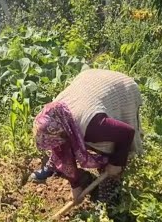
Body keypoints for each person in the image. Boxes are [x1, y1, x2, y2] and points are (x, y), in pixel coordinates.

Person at [33, 69, 142, 208]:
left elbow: (127, 133)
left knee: (112, 153)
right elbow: (63, 147)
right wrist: (75, 186)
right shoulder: (55, 114)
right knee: (63, 142)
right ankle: (57, 166)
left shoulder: (93, 126)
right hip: (90, 81)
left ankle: (110, 193)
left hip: (122, 89)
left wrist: (116, 163)